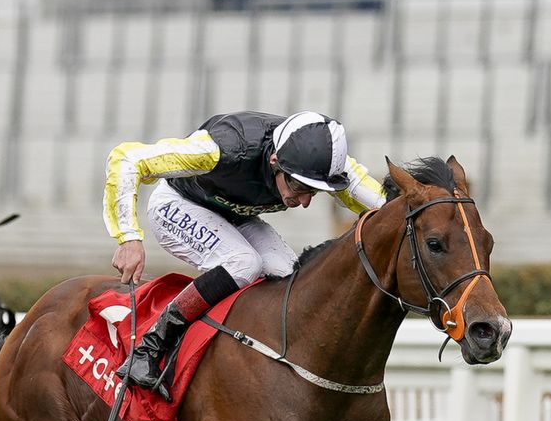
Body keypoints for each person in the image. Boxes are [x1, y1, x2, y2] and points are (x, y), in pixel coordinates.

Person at [105, 110, 385, 393]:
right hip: (178, 203)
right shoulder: (222, 149)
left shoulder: (327, 162)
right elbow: (128, 159)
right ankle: (149, 349)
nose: (303, 202)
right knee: (244, 263)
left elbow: (391, 206)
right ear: (275, 160)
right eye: (299, 187)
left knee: (291, 278)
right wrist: (128, 237)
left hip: (235, 214)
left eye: (313, 192)